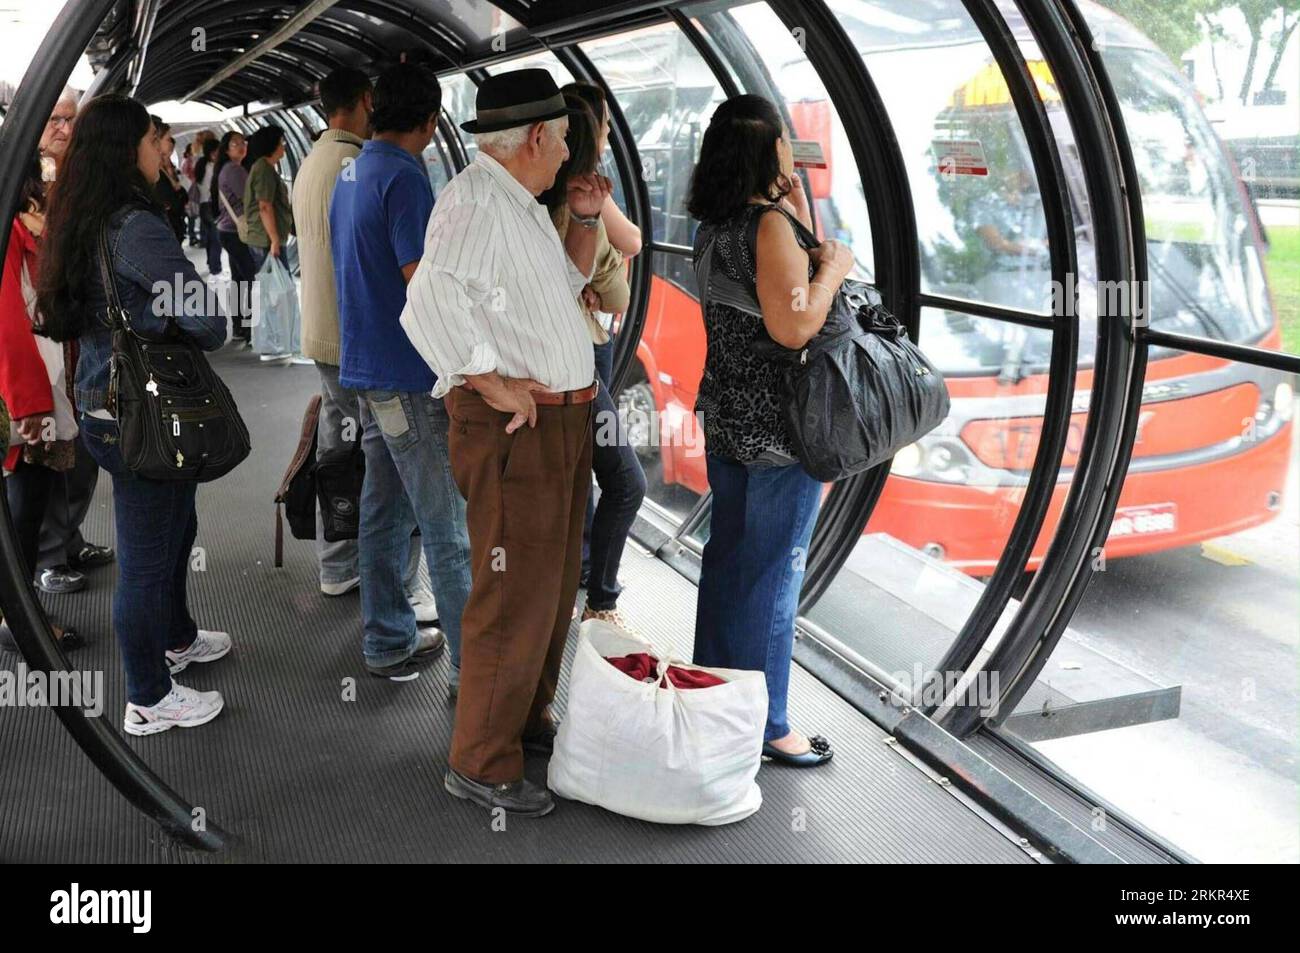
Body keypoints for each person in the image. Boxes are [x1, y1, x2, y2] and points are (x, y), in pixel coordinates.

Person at [400, 68, 605, 816]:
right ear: (539, 136)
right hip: (521, 427)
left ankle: (523, 717)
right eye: (565, 140)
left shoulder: (517, 203)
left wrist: (584, 219)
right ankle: (482, 760)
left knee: (550, 587)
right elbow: (427, 300)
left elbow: (558, 295)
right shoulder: (475, 203)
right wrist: (491, 382)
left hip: (559, 423)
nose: (569, 154)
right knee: (514, 591)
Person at [36, 94, 233, 736]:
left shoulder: (79, 216)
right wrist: (157, 313)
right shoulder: (135, 227)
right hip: (144, 411)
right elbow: (209, 322)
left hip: (104, 403)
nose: (163, 151)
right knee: (148, 555)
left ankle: (176, 637)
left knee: (174, 526)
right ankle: (148, 696)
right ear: (129, 149)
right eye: (154, 139)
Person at [687, 95, 854, 768]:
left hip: (727, 416)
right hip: (779, 430)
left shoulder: (714, 224)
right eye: (784, 138)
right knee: (774, 574)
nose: (791, 146)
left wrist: (797, 214)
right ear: (768, 149)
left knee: (729, 559)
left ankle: (713, 693)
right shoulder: (767, 227)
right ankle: (766, 725)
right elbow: (792, 326)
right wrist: (834, 270)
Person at [329, 63, 470, 684]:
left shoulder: (352, 171)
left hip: (366, 367)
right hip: (407, 374)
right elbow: (421, 281)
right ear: (431, 121)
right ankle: (473, 670)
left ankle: (387, 639)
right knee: (446, 524)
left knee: (384, 508)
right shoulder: (407, 177)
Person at [292, 66, 427, 617]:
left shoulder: (314, 160)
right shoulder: (355, 164)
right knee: (378, 462)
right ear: (367, 100)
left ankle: (339, 565)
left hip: (324, 330)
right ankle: (385, 583)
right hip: (356, 338)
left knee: (342, 451)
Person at [541, 92, 645, 630]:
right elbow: (617, 292)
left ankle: (577, 576)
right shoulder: (585, 207)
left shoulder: (532, 205)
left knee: (578, 470)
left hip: (558, 360)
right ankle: (600, 601)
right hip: (577, 359)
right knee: (626, 482)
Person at [34, 87, 113, 597]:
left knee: (84, 445)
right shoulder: (22, 183)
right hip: (41, 340)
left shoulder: (78, 178)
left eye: (71, 120)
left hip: (80, 332)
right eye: (55, 120)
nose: (64, 129)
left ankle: (69, 537)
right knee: (47, 449)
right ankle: (46, 554)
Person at [0, 155, 80, 653]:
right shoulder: (11, 230)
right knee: (23, 510)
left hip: (30, 382)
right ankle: (18, 619)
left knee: (25, 504)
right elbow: (8, 318)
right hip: (24, 390)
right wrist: (30, 403)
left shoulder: (20, 224)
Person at [212, 130, 257, 342]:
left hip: (228, 230)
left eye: (243, 142)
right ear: (226, 149)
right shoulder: (234, 170)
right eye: (235, 143)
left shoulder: (227, 168)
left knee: (239, 279)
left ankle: (240, 325)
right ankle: (249, 327)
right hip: (237, 232)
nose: (241, 146)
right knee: (249, 277)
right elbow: (249, 199)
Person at [243, 125, 293, 269]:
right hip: (266, 240)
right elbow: (264, 206)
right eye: (281, 142)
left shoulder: (263, 167)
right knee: (277, 281)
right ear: (272, 145)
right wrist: (274, 239)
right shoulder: (264, 169)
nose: (283, 146)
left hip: (264, 238)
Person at [152, 118, 189, 242]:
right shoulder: (155, 173)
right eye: (168, 139)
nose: (170, 144)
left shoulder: (165, 169)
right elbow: (171, 200)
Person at [194, 136, 223, 276]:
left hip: (203, 204)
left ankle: (211, 262)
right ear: (213, 152)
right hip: (212, 205)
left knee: (211, 236)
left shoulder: (201, 165)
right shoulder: (212, 168)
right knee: (216, 237)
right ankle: (215, 267)